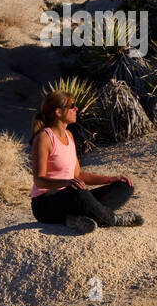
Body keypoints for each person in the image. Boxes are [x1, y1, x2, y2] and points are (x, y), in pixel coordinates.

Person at [29, 89, 144, 233]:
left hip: (71, 197)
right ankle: (113, 219)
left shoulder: (69, 136)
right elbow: (39, 180)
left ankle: (76, 218)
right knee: (78, 192)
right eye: (72, 106)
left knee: (125, 186)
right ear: (58, 112)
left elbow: (79, 174)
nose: (76, 109)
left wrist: (112, 179)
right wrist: (65, 183)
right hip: (45, 204)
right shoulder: (44, 138)